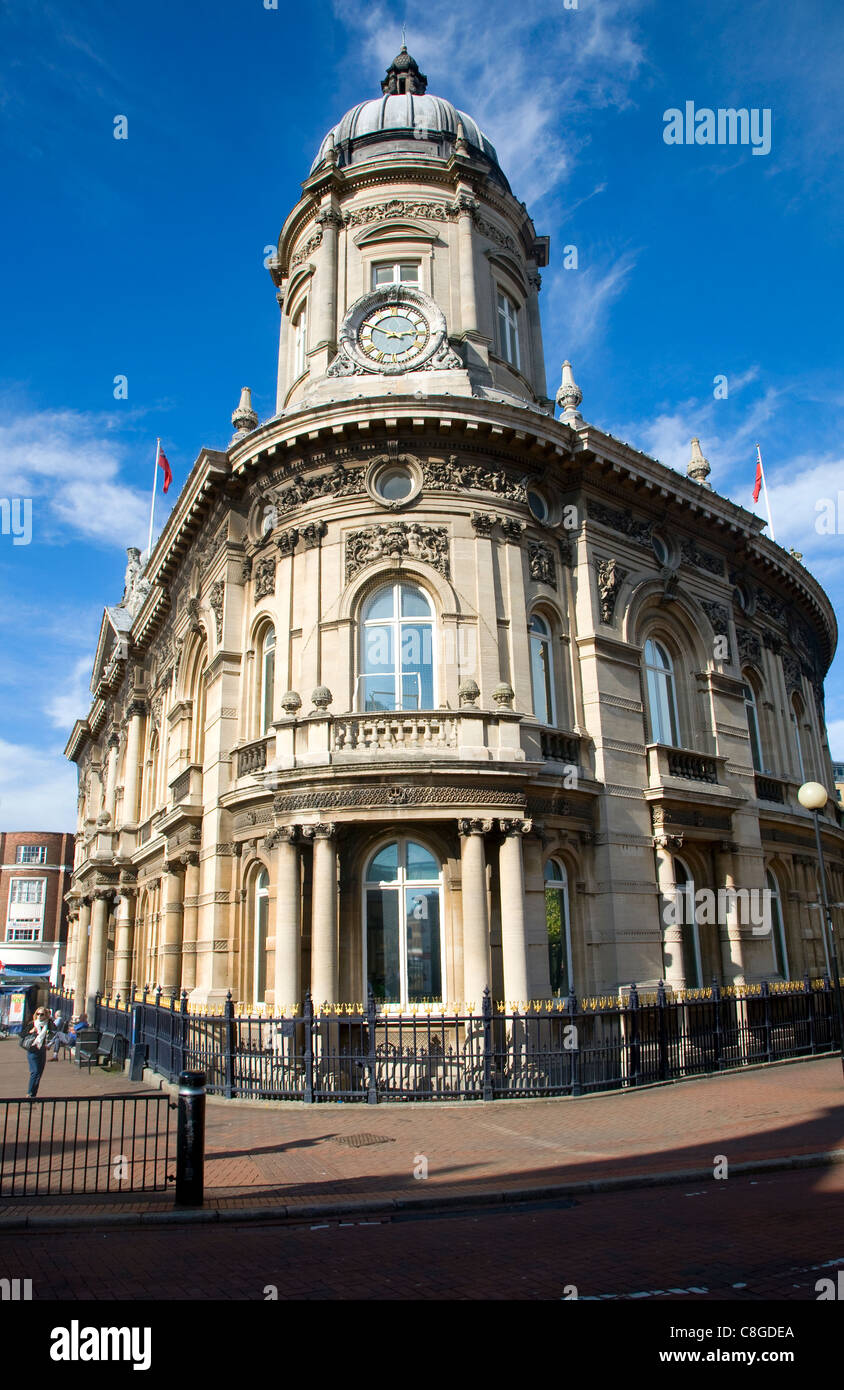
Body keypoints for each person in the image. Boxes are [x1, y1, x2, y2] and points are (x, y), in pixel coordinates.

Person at [21, 1006, 55, 1099]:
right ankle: (29, 1093)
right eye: (38, 1014)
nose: (40, 1016)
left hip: (42, 1050)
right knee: (34, 1072)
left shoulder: (48, 1024)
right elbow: (22, 1035)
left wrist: (49, 1044)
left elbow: (55, 1033)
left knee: (39, 1073)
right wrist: (31, 1031)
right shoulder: (32, 1024)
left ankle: (34, 1094)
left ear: (45, 1015)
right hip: (32, 1050)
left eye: (42, 1014)